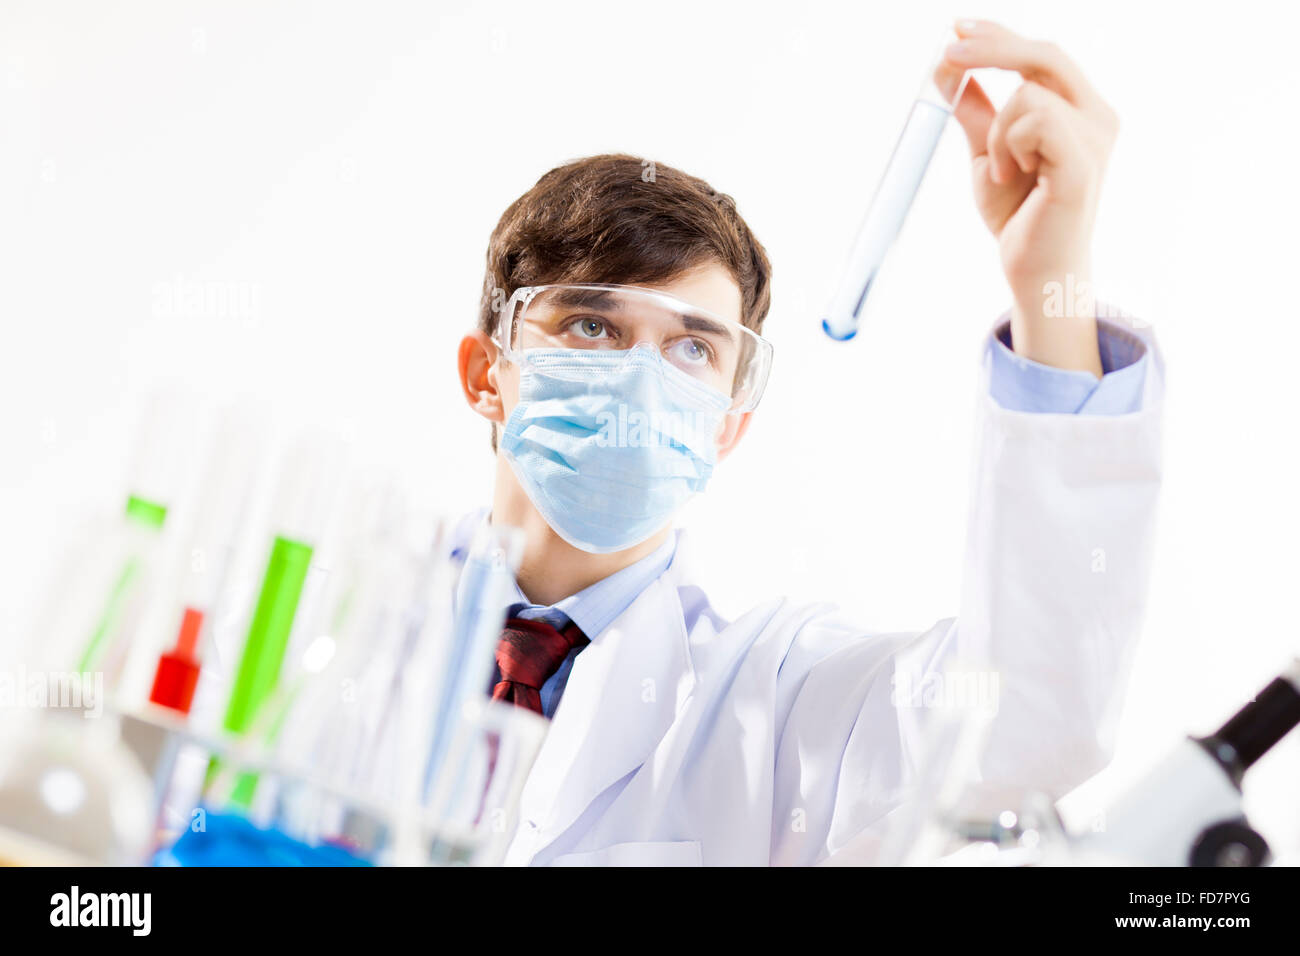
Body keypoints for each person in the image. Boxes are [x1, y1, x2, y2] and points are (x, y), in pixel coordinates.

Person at [452, 20, 1161, 866]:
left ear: (730, 421)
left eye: (691, 348)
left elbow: (1026, 712)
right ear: (487, 371)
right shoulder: (331, 603)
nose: (643, 381)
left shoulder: (786, 705)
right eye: (593, 325)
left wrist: (1053, 283)